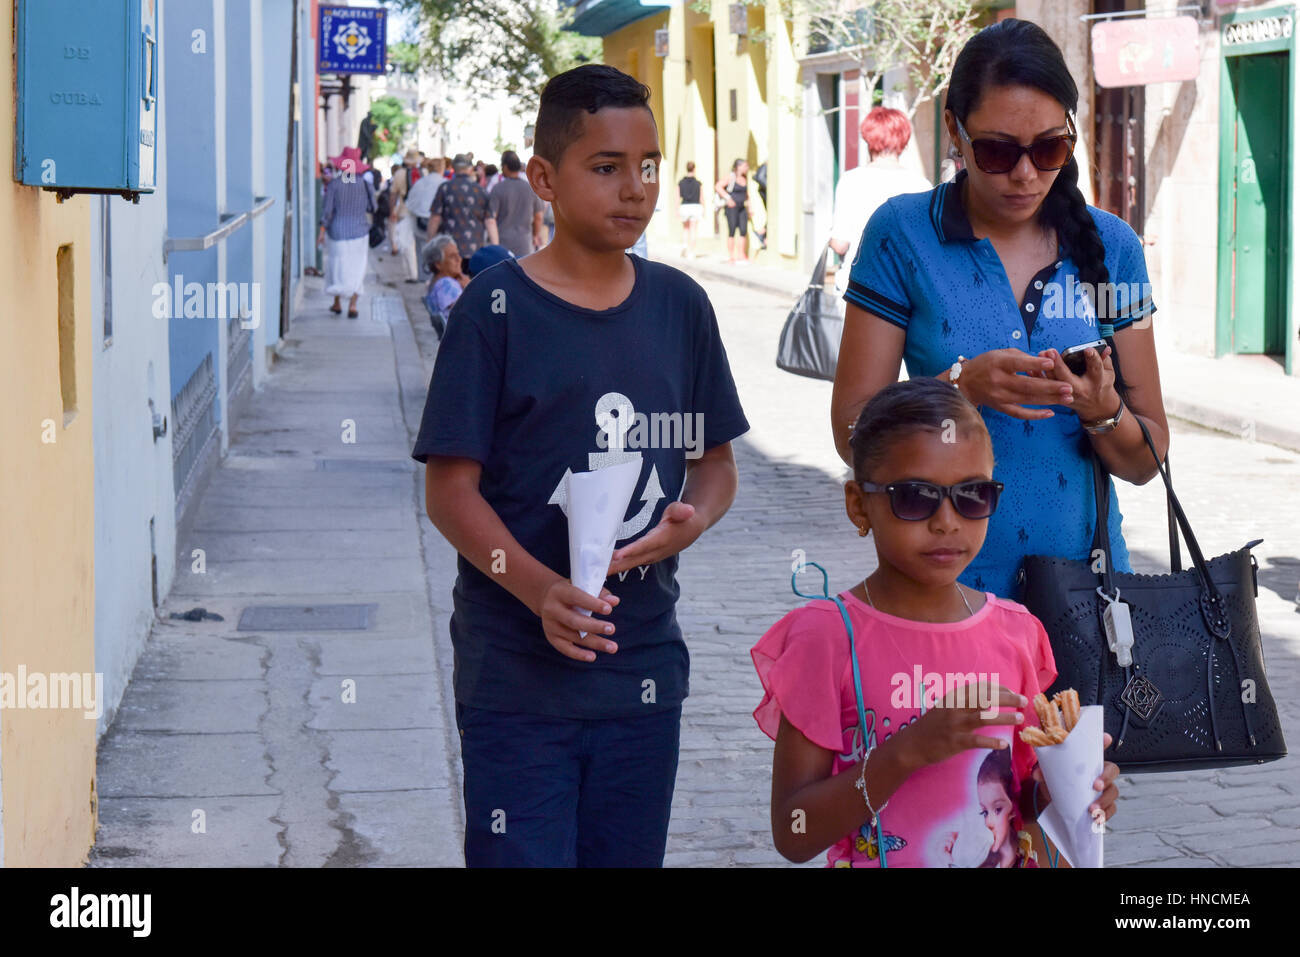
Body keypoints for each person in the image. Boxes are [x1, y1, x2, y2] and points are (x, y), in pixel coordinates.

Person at [412, 63, 749, 868]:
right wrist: (539, 589)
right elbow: (449, 492)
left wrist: (689, 522)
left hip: (642, 672)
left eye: (648, 167)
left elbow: (717, 467)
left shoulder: (680, 306)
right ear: (544, 179)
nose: (634, 188)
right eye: (605, 168)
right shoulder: (494, 313)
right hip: (516, 682)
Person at [831, 18, 1171, 599]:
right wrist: (961, 387)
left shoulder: (1114, 249)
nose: (1025, 174)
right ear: (954, 132)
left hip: (1082, 601)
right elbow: (853, 431)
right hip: (941, 593)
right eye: (995, 150)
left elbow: (1146, 463)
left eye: (1049, 149)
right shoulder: (902, 234)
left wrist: (1102, 408)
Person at [753, 378, 1121, 867]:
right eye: (915, 496)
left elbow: (1018, 804)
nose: (947, 521)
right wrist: (907, 751)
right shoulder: (826, 637)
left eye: (971, 495)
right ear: (859, 505)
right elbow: (794, 831)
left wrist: (1066, 793)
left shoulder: (1016, 632)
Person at [828, 107, 933, 299]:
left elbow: (840, 244)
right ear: (904, 139)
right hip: (904, 292)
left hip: (857, 288)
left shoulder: (851, 180)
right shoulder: (921, 184)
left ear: (868, 138)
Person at [318, 147, 376, 319]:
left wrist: (322, 231)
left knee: (338, 266)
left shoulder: (334, 185)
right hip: (359, 231)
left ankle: (337, 303)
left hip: (337, 232)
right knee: (357, 267)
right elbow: (373, 207)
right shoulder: (366, 184)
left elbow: (327, 212)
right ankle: (353, 305)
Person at [429, 154, 492, 260]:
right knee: (471, 276)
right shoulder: (480, 190)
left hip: (450, 248)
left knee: (451, 275)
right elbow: (490, 220)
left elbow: (435, 217)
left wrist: (430, 241)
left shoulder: (445, 188)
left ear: (453, 167)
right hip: (475, 248)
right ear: (470, 168)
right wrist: (495, 246)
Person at [487, 150, 545, 258]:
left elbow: (491, 219)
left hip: (503, 246)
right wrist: (536, 235)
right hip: (525, 245)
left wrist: (494, 244)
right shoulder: (530, 189)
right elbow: (539, 216)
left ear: (505, 167)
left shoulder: (498, 189)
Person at [422, 234, 468, 327]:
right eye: (452, 256)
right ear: (438, 264)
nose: (459, 259)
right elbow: (468, 313)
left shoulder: (435, 283)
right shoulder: (446, 285)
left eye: (458, 254)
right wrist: (470, 288)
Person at [715, 159, 752, 264]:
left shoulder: (745, 178)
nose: (747, 168)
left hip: (742, 207)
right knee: (732, 231)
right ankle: (731, 256)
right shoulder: (731, 177)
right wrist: (728, 198)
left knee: (743, 231)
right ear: (739, 167)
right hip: (731, 208)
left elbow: (746, 194)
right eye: (745, 166)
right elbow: (718, 186)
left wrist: (750, 207)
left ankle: (741, 255)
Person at [677, 161, 702, 258]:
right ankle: (691, 252)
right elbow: (701, 197)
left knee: (685, 229)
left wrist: (677, 209)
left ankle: (684, 245)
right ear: (694, 169)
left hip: (684, 206)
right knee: (693, 229)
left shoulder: (681, 182)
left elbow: (677, 197)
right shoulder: (698, 183)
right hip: (695, 206)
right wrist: (704, 209)